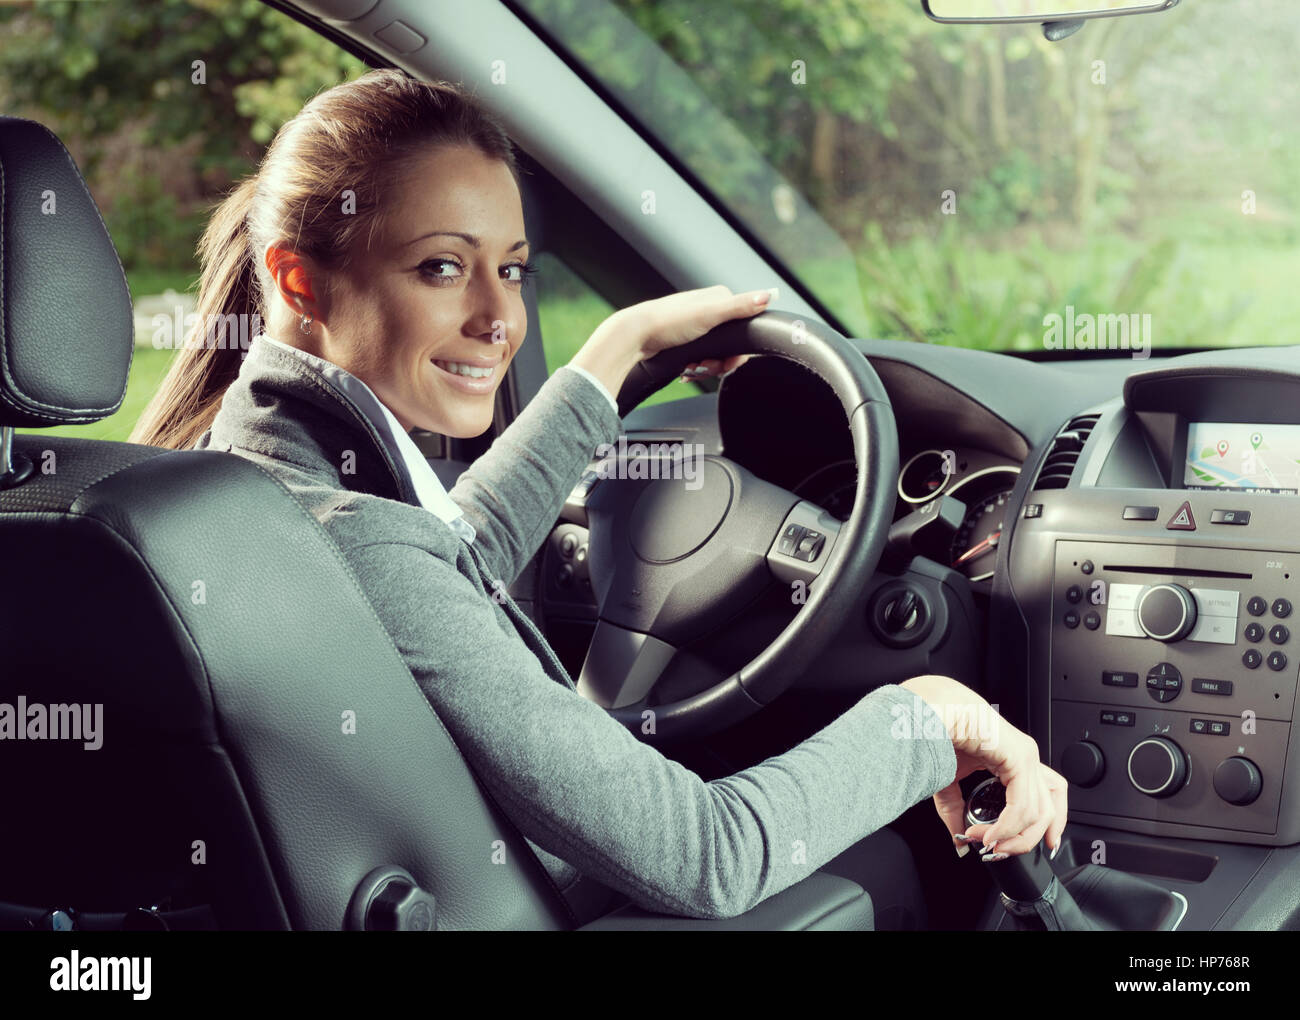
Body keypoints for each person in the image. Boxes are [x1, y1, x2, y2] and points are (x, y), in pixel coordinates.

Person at [131, 68, 1066, 926]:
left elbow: (444, 561)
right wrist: (929, 715)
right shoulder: (361, 549)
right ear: (300, 280)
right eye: (442, 268)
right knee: (894, 866)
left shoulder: (215, 495)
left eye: (512, 268)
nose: (499, 321)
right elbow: (713, 856)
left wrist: (611, 360)